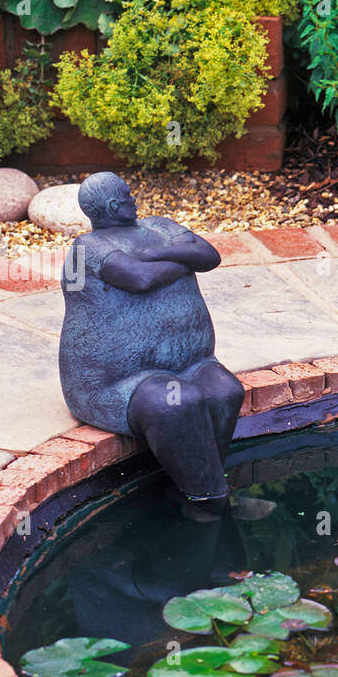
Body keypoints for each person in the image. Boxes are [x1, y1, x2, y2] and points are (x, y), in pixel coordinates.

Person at [59, 172, 244, 508]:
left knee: (225, 390)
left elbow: (208, 255)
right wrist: (179, 257)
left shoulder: (159, 225)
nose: (134, 197)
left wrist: (153, 253)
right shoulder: (88, 248)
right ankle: (211, 505)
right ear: (116, 206)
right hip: (117, 381)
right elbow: (139, 278)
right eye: (128, 195)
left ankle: (190, 486)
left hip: (190, 364)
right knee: (176, 403)